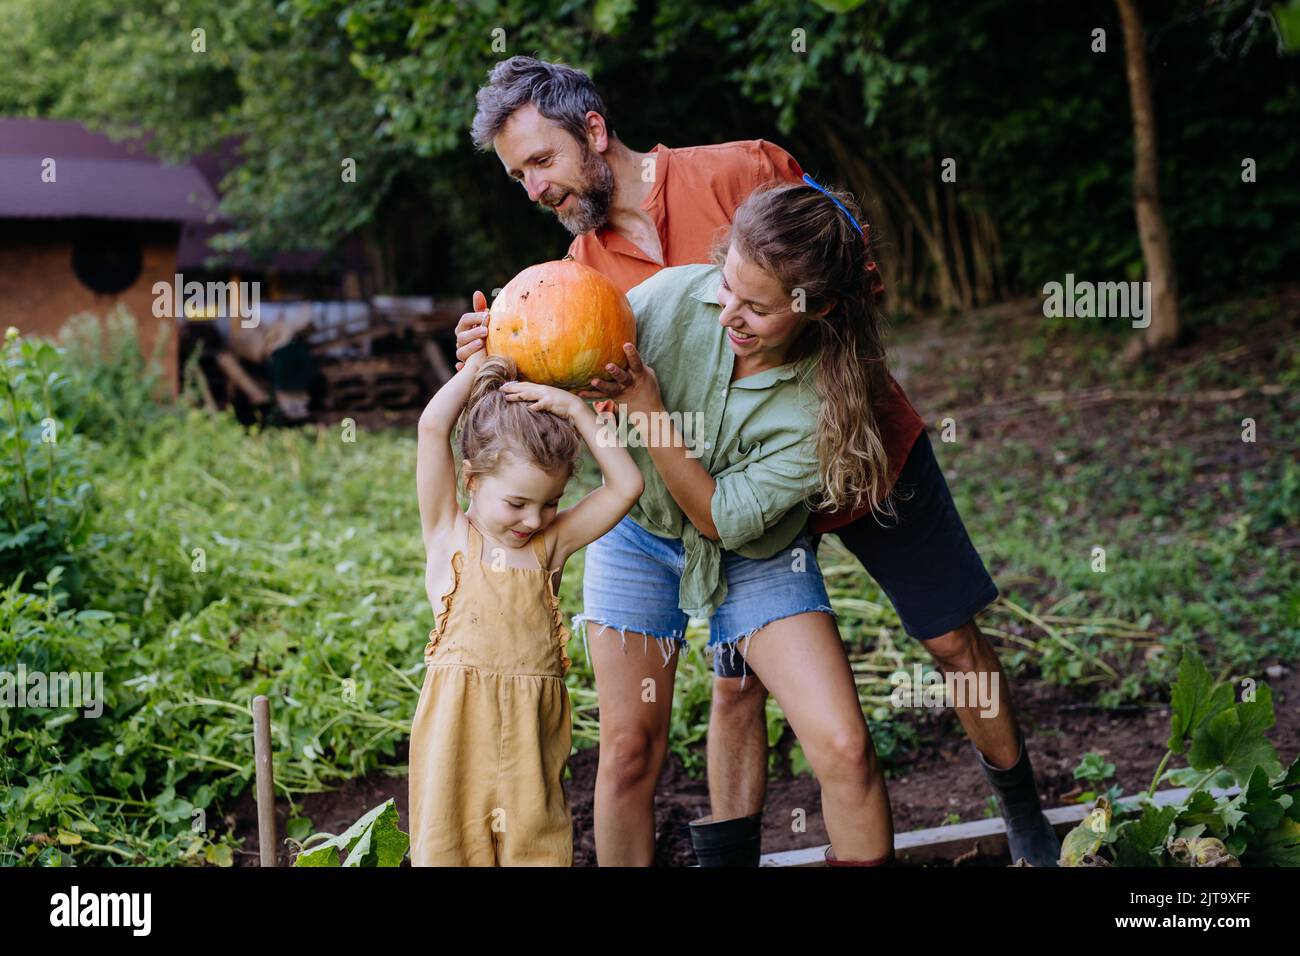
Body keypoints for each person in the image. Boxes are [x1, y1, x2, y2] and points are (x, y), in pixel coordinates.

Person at [457, 55, 1061, 868]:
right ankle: (732, 855)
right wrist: (489, 354)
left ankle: (1021, 808)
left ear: (593, 131)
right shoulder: (578, 277)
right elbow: (554, 368)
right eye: (516, 176)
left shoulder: (746, 169)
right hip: (717, 503)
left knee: (952, 640)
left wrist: (798, 347)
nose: (534, 189)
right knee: (737, 677)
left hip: (845, 449)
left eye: (541, 162)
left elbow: (852, 263)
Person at [407, 338, 642, 865]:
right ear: (470, 480)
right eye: (516, 502)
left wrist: (577, 410)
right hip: (456, 743)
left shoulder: (549, 547)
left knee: (536, 847)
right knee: (450, 849)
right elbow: (431, 428)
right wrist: (476, 372)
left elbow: (626, 484)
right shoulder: (448, 536)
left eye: (551, 503)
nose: (534, 520)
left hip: (530, 746)